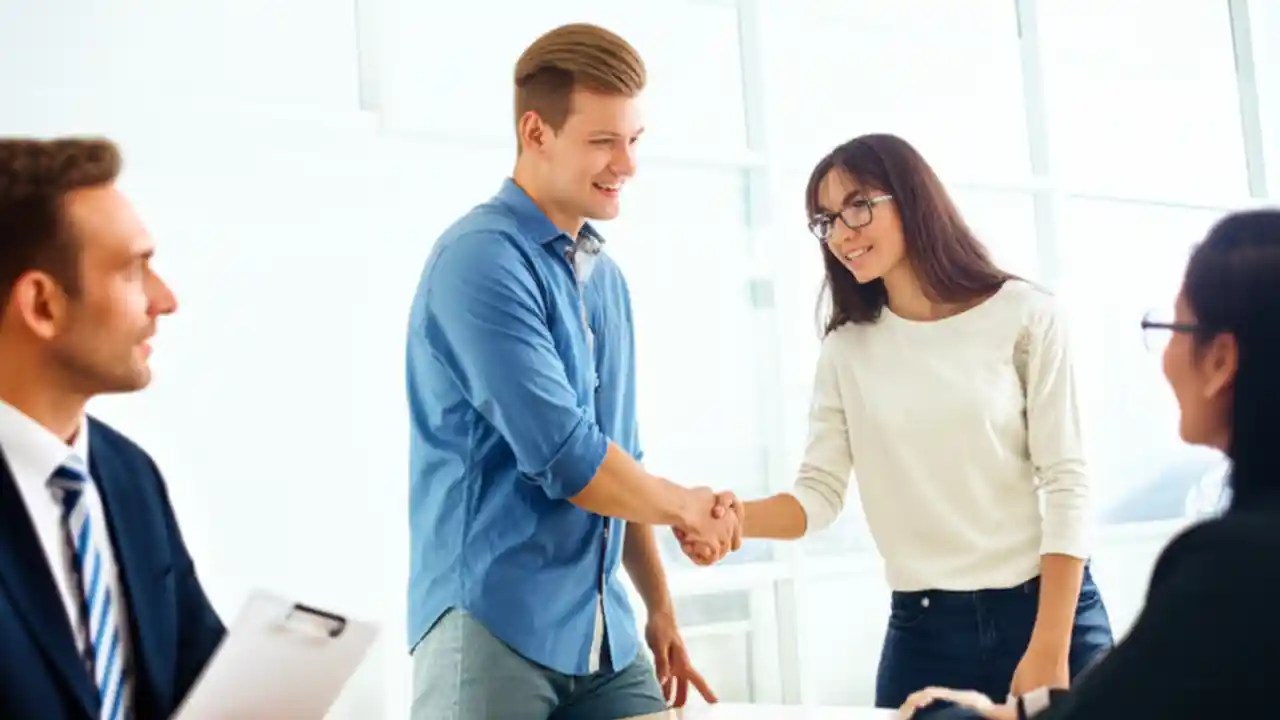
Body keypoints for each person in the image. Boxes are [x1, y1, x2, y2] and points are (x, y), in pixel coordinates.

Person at [683, 133, 1114, 709]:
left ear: (911, 199)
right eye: (826, 220)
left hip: (1048, 613)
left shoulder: (1026, 315)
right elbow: (818, 496)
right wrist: (733, 519)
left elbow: (1066, 481)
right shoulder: (848, 350)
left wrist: (1050, 645)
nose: (840, 234)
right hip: (926, 630)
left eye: (857, 207)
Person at [405, 23, 738, 720]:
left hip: (603, 636)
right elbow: (570, 460)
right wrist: (685, 505)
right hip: (495, 622)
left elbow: (621, 457)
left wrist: (659, 608)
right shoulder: (480, 262)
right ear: (537, 132)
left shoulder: (604, 279)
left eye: (634, 140)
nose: (628, 163)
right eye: (603, 141)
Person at [899, 209, 1280, 719]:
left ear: (1220, 360)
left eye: (1173, 327)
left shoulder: (1228, 568)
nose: (1166, 355)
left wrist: (945, 717)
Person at [0, 137, 225, 719]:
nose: (165, 300)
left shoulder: (129, 476)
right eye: (134, 271)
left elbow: (197, 680)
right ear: (42, 304)